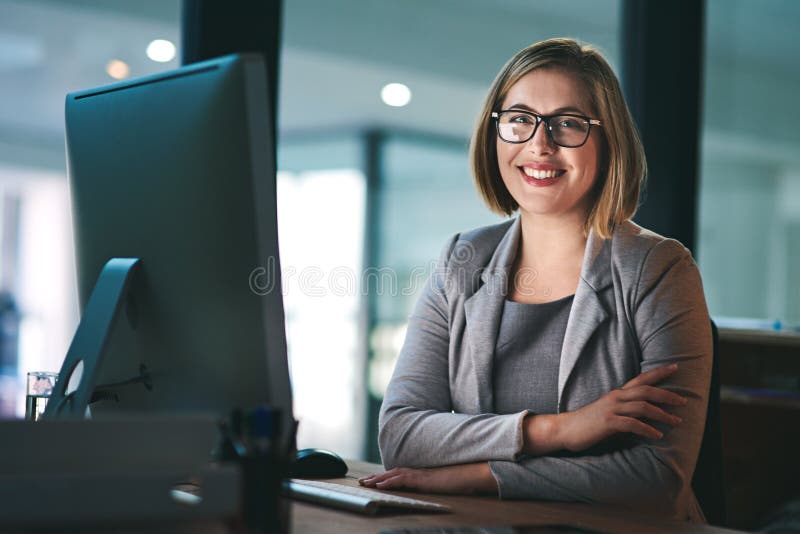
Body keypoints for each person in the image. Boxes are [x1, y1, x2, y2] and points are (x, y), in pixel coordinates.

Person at [358, 38, 712, 522]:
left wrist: (481, 474)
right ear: (495, 133)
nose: (539, 144)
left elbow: (657, 479)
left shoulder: (659, 269)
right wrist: (557, 431)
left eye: (568, 124)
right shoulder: (461, 260)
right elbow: (401, 434)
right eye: (519, 120)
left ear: (608, 142)